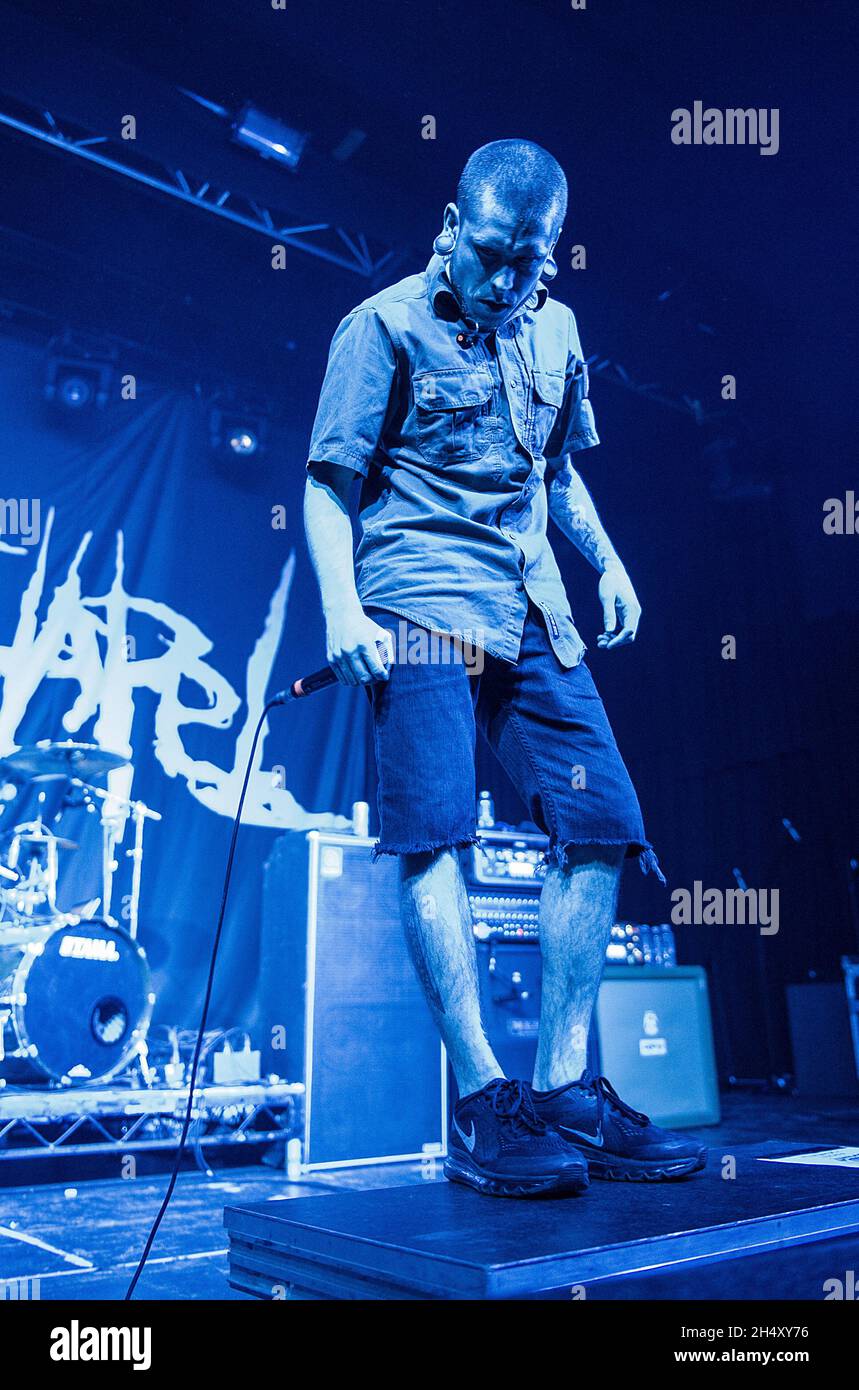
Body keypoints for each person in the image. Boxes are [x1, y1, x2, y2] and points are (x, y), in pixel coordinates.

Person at [304, 139, 705, 1196]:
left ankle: (565, 1085)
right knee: (434, 829)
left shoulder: (556, 330)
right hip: (419, 603)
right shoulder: (379, 325)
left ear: (549, 259)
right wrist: (342, 606)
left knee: (602, 822)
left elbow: (557, 469)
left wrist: (608, 560)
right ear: (450, 224)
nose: (501, 282)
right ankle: (484, 1099)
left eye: (524, 267)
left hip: (530, 606)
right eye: (486, 257)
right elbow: (327, 486)